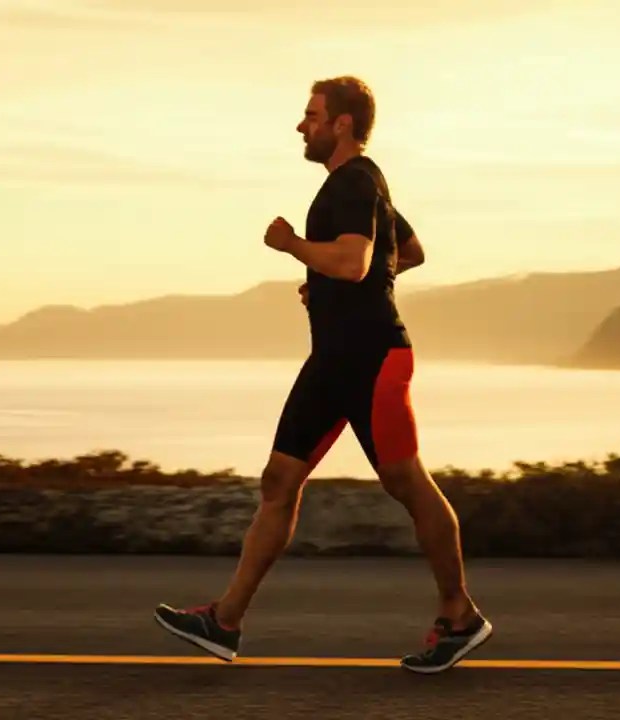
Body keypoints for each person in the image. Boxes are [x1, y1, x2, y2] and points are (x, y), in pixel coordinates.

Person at [153, 76, 491, 674]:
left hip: (370, 359)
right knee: (279, 481)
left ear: (340, 124)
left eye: (310, 115)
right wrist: (329, 276)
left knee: (408, 485)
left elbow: (359, 262)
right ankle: (224, 621)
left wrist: (294, 246)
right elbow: (405, 253)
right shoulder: (364, 185)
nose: (300, 126)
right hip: (334, 361)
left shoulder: (355, 181)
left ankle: (459, 615)